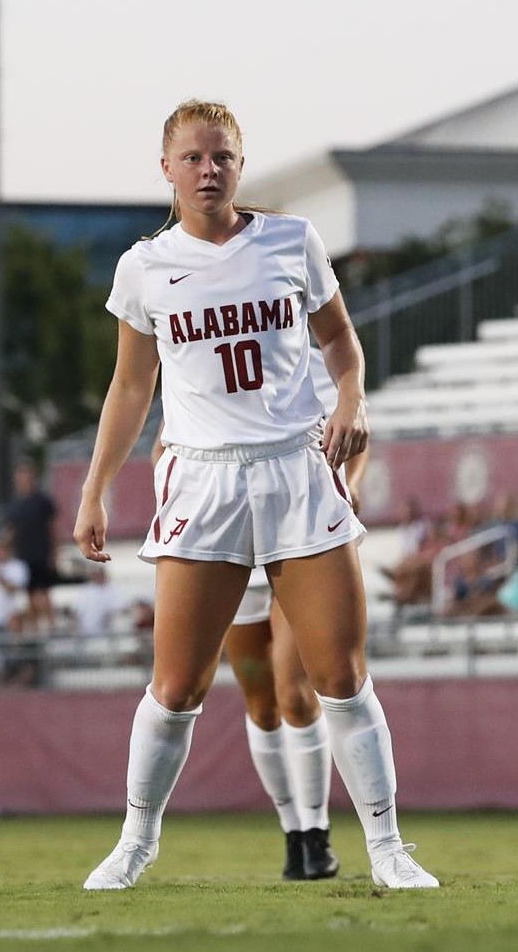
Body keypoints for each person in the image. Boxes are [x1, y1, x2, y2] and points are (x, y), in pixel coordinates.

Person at [70, 100, 434, 891]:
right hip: (203, 477)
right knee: (178, 686)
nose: (210, 170)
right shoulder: (144, 265)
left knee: (339, 673)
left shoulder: (292, 240)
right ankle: (136, 840)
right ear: (166, 167)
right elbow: (132, 386)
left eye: (223, 156)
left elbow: (339, 339)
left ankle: (387, 846)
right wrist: (95, 488)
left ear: (242, 164)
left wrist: (353, 399)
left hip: (296, 467)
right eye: (195, 157)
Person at [186, 344, 364, 881]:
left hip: (297, 531)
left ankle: (316, 835)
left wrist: (347, 490)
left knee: (295, 691)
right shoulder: (203, 357)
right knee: (260, 703)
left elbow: (355, 432)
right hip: (232, 537)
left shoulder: (308, 358)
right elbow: (167, 447)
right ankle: (291, 829)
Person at [7, 464, 62, 633]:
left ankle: (51, 627)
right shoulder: (15, 504)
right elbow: (11, 531)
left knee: (42, 593)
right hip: (23, 555)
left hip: (40, 554)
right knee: (30, 596)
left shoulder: (43, 501)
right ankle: (36, 629)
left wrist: (54, 555)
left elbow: (54, 529)